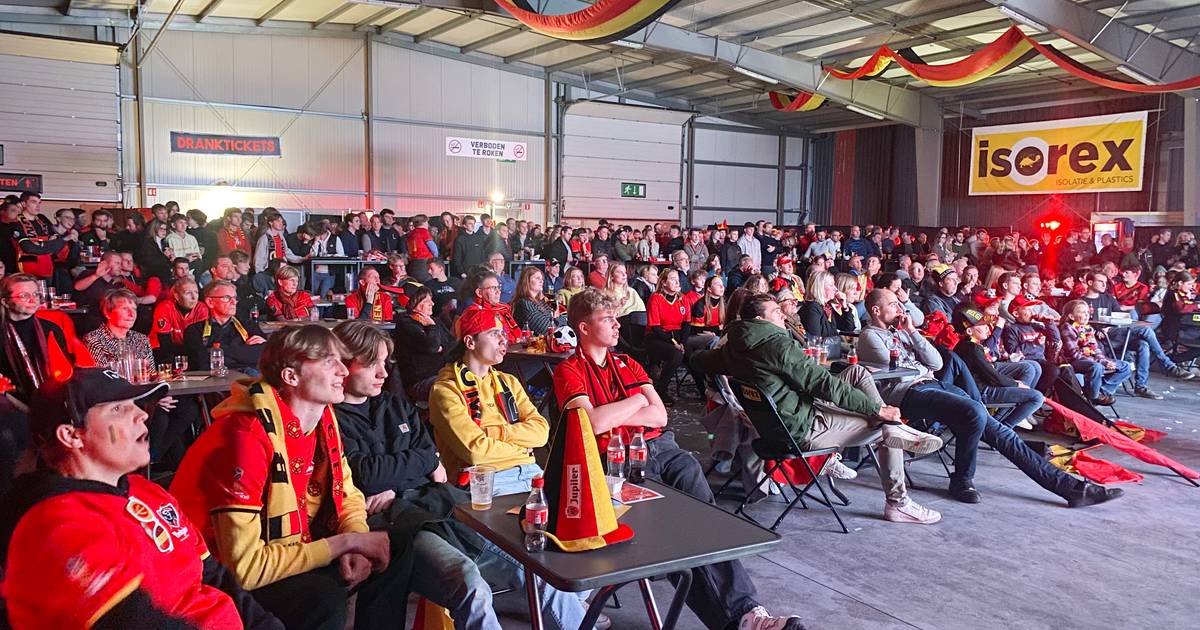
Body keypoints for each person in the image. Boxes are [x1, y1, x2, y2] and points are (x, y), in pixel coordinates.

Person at [555, 288, 804, 630]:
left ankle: (747, 613)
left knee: (704, 527)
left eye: (616, 317)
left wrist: (618, 412)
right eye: (607, 319)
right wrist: (635, 404)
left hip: (663, 449)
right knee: (674, 539)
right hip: (614, 464)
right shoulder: (568, 370)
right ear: (584, 328)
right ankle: (741, 619)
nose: (617, 325)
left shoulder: (627, 362)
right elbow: (593, 423)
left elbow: (660, 417)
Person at [330, 322, 594, 630]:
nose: (384, 373)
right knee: (476, 583)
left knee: (545, 561)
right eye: (371, 363)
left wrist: (404, 474)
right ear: (341, 365)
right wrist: (417, 467)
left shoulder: (395, 404)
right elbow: (368, 474)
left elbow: (431, 458)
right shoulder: (331, 419)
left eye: (385, 362)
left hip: (446, 503)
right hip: (407, 520)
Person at [0, 368, 283, 629]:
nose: (143, 415)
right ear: (72, 435)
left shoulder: (146, 490)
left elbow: (213, 575)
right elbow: (134, 623)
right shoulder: (53, 526)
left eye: (136, 405)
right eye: (118, 409)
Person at [170, 326, 408, 629]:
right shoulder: (244, 437)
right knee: (321, 597)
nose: (343, 370)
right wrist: (345, 542)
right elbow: (245, 569)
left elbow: (348, 494)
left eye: (342, 360)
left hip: (290, 544)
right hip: (216, 578)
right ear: (290, 377)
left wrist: (357, 541)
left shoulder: (323, 419)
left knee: (397, 544)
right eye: (328, 362)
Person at [693, 293, 944, 524]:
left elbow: (696, 359)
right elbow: (824, 385)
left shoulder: (735, 347)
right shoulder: (776, 345)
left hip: (779, 424)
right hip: (802, 429)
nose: (783, 314)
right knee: (885, 429)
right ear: (760, 319)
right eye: (775, 311)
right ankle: (898, 502)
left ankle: (893, 427)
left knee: (856, 372)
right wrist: (879, 411)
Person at [857, 289, 1122, 507]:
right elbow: (896, 366)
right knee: (974, 411)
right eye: (893, 304)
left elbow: (936, 363)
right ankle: (961, 480)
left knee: (1000, 433)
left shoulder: (903, 331)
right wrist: (912, 348)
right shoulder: (869, 336)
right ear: (877, 311)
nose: (900, 309)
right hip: (908, 393)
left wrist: (912, 333)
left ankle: (1072, 488)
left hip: (933, 384)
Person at [428, 307, 549, 495]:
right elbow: (475, 452)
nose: (504, 339)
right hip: (484, 483)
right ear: (470, 342)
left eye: (503, 333)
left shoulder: (508, 382)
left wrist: (494, 432)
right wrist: (522, 450)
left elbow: (542, 432)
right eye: (494, 333)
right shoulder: (446, 390)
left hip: (532, 473)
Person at [1081, 270, 1195, 398]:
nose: (1104, 285)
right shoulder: (1082, 302)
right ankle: (1168, 365)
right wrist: (1096, 329)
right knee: (1145, 330)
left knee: (1143, 344)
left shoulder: (1108, 298)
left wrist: (1109, 325)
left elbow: (1121, 317)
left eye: (1105, 282)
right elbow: (1078, 323)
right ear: (1090, 282)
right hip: (1098, 340)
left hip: (1114, 334)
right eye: (1100, 282)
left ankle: (1141, 386)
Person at [951, 306, 1045, 428]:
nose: (987, 327)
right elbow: (993, 377)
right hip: (983, 390)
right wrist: (1016, 384)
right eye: (982, 325)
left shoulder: (969, 344)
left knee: (1029, 368)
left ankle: (1007, 412)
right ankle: (1001, 428)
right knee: (1037, 397)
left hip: (982, 382)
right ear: (969, 331)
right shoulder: (973, 349)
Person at [0, 273, 77, 409]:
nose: (33, 300)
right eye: (24, 295)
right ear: (5, 302)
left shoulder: (50, 329)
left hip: (53, 401)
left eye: (36, 294)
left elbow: (66, 373)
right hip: (9, 404)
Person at [183, 280, 267, 375]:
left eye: (235, 298)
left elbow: (264, 355)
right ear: (210, 302)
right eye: (227, 298)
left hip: (247, 378)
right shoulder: (195, 330)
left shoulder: (248, 325)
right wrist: (244, 350)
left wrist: (216, 350)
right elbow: (200, 363)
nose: (234, 302)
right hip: (212, 383)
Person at [1059, 299, 1134, 405]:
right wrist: (1101, 363)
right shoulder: (1068, 329)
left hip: (1092, 359)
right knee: (1097, 367)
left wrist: (1104, 361)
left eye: (1087, 312)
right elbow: (1075, 354)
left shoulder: (1088, 329)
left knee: (1126, 366)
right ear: (1071, 316)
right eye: (1082, 312)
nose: (1086, 315)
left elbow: (1096, 349)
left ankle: (1099, 392)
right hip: (1074, 361)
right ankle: (1094, 396)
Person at [392, 286, 453, 401]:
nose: (433, 304)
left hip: (443, 374)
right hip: (420, 381)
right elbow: (432, 346)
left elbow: (452, 346)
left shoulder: (436, 321)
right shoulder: (406, 323)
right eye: (427, 301)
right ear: (415, 304)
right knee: (451, 388)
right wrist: (431, 328)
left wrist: (441, 348)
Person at [645, 269, 691, 404]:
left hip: (678, 336)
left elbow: (687, 324)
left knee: (693, 355)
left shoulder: (683, 298)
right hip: (657, 337)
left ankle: (704, 392)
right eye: (672, 279)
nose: (677, 282)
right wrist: (674, 343)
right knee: (676, 354)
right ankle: (661, 390)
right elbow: (656, 327)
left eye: (678, 278)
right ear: (664, 282)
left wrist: (682, 342)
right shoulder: (656, 298)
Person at [149, 276, 209, 363]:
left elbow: (200, 343)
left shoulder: (201, 308)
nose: (194, 297)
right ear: (177, 296)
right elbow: (165, 344)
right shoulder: (164, 308)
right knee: (166, 356)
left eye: (196, 292)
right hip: (161, 349)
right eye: (188, 293)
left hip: (185, 349)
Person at [799, 269, 855, 339]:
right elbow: (815, 339)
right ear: (820, 288)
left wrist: (845, 307)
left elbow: (848, 328)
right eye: (831, 285)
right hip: (824, 348)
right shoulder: (812, 308)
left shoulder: (827, 307)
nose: (835, 289)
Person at [511, 266, 564, 333]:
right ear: (527, 281)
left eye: (542, 279)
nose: (541, 281)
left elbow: (562, 322)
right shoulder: (524, 303)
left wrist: (556, 319)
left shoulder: (540, 302)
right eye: (537, 278)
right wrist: (557, 318)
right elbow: (547, 329)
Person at [253, 210, 307, 275]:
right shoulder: (264, 238)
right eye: (278, 221)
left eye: (282, 221)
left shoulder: (281, 238)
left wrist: (302, 259)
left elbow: (287, 253)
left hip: (282, 270)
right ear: (270, 222)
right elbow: (259, 258)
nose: (281, 223)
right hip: (269, 271)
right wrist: (260, 274)